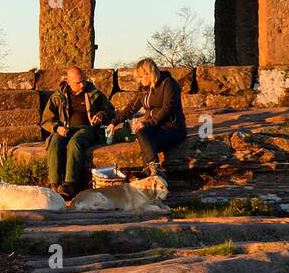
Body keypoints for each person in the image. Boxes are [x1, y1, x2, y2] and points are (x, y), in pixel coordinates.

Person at [40, 65, 114, 200]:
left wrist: (102, 114)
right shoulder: (58, 97)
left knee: (75, 142)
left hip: (87, 128)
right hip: (65, 128)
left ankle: (70, 184)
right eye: (78, 83)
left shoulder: (94, 94)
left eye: (84, 81)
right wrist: (57, 128)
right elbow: (46, 120)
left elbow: (111, 111)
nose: (82, 85)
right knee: (55, 141)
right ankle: (54, 185)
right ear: (68, 82)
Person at [108, 57, 187, 179]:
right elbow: (131, 108)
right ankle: (152, 171)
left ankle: (150, 171)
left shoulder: (169, 83)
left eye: (140, 77)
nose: (139, 81)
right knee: (141, 133)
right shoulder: (143, 89)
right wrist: (114, 122)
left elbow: (167, 108)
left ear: (148, 73)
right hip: (154, 128)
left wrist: (147, 123)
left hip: (173, 128)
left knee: (147, 144)